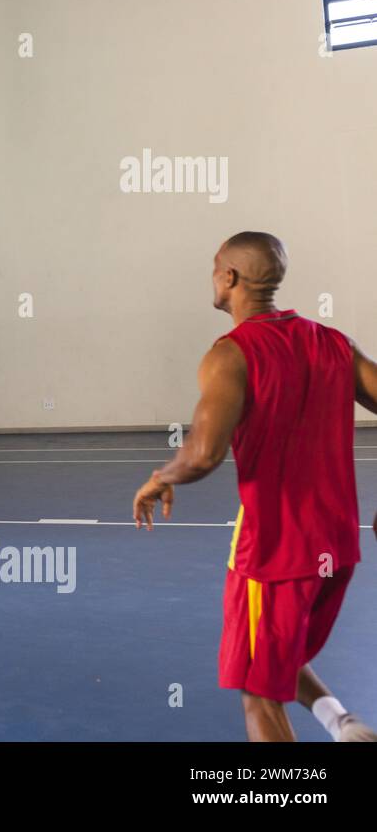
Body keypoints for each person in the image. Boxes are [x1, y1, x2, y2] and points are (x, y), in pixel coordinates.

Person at [132, 232, 375, 741]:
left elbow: (201, 455)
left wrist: (160, 477)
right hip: (338, 548)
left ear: (230, 277)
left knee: (258, 693)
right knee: (272, 657)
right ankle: (344, 723)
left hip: (274, 552)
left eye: (213, 268)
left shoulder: (231, 355)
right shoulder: (332, 343)